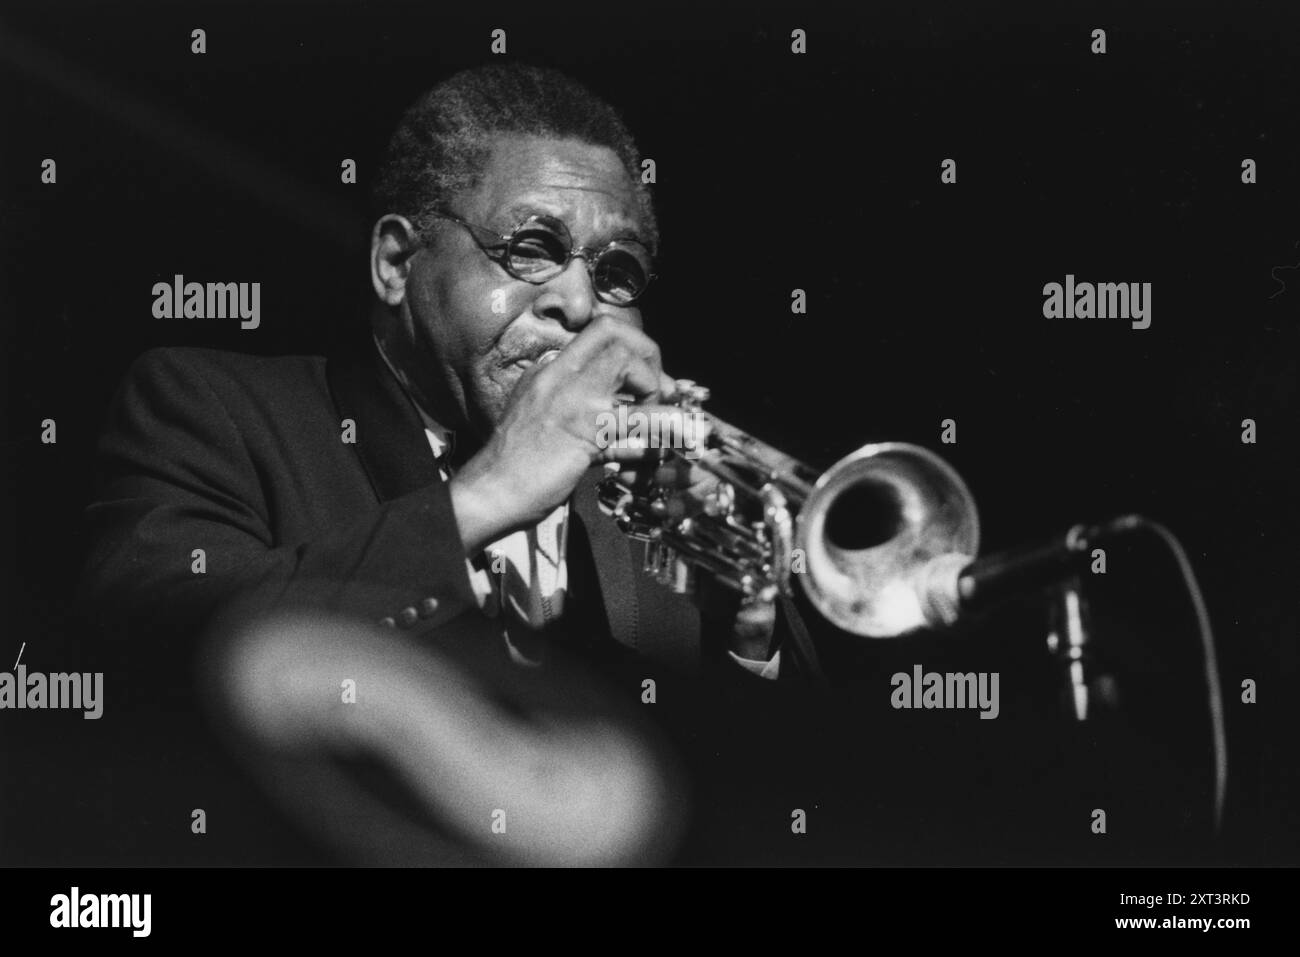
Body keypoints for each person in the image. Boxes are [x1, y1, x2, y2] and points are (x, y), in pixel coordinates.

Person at [77, 62, 820, 866]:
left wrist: (750, 632)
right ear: (397, 263)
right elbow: (159, 641)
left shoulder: (653, 507)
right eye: (533, 247)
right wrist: (491, 491)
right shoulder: (210, 404)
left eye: (617, 272)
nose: (581, 304)